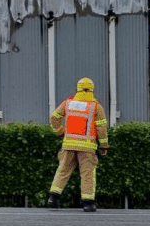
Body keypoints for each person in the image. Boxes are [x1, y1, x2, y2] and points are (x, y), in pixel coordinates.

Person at [47, 77, 109, 212]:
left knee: (63, 170)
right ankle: (87, 203)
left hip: (68, 144)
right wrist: (104, 145)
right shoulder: (96, 107)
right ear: (92, 90)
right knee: (87, 174)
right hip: (87, 147)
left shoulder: (67, 103)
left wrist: (60, 131)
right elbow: (102, 128)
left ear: (78, 89)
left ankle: (53, 197)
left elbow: (54, 117)